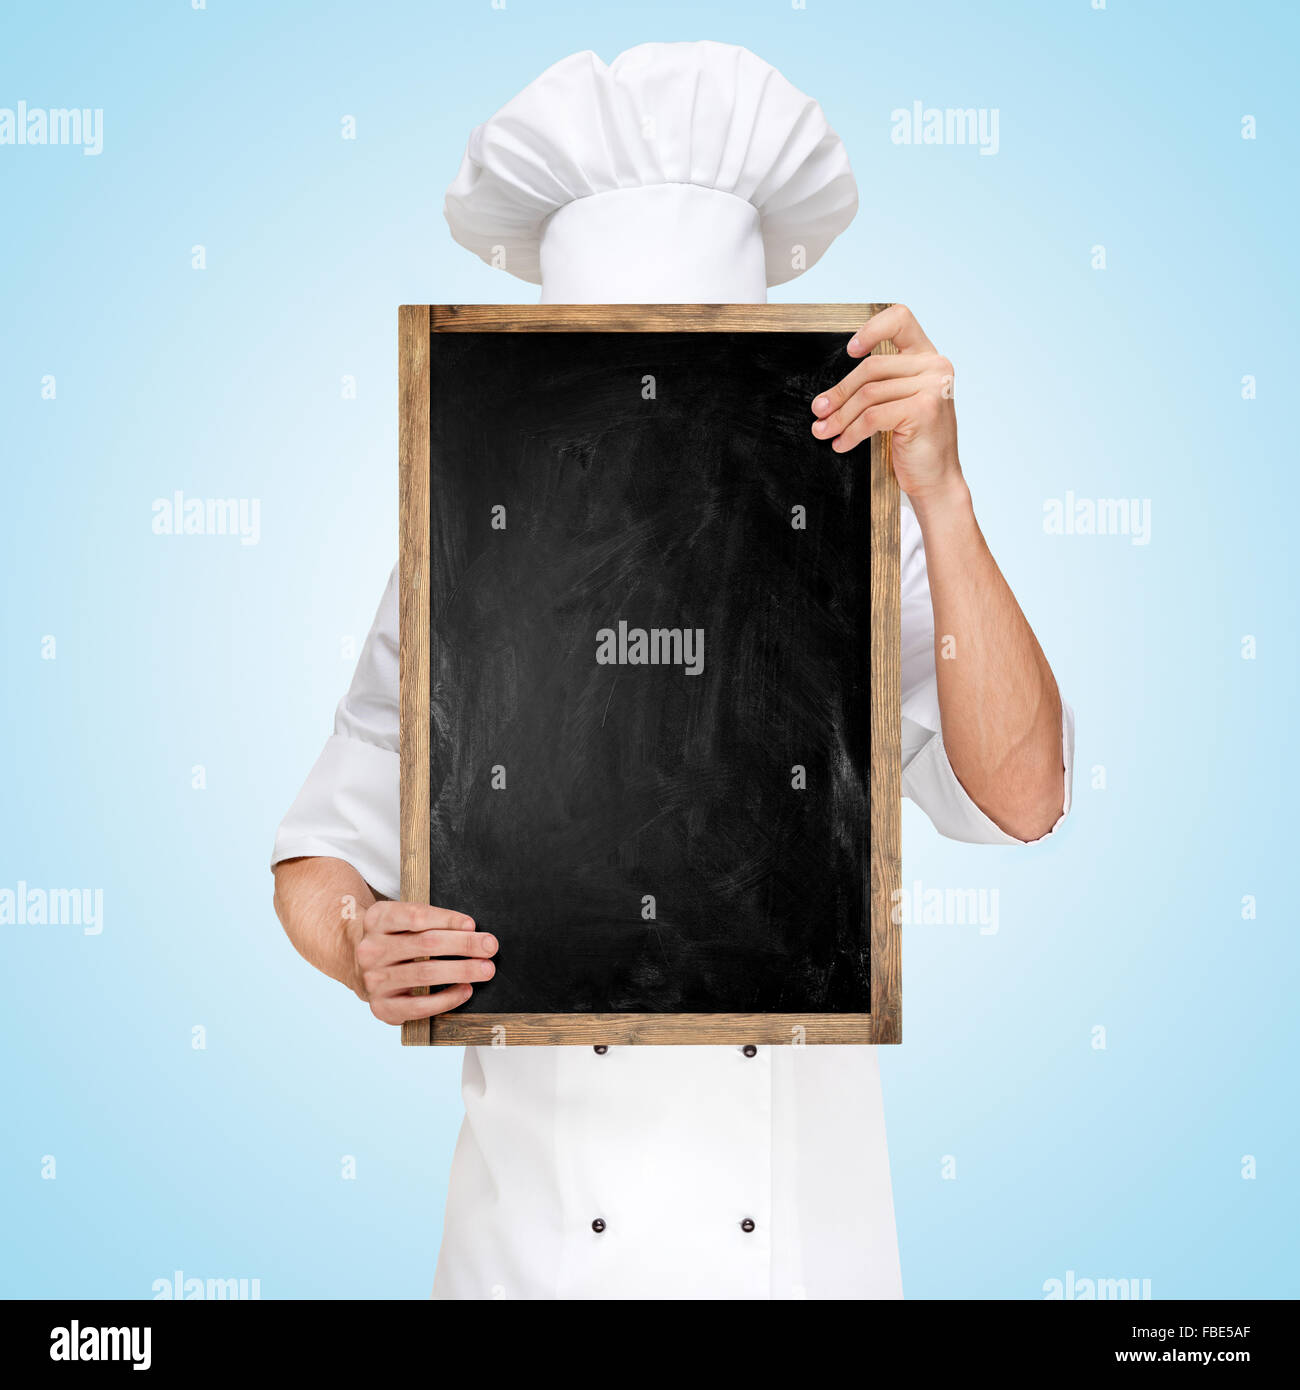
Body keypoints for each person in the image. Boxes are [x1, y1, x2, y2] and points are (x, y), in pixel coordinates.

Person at [271, 41, 1074, 1300]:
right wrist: (361, 935)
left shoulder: (860, 548)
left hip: (801, 1262)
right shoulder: (466, 553)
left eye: (699, 363)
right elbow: (323, 852)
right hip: (524, 1253)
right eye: (621, 366)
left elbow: (1024, 795)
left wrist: (945, 497)